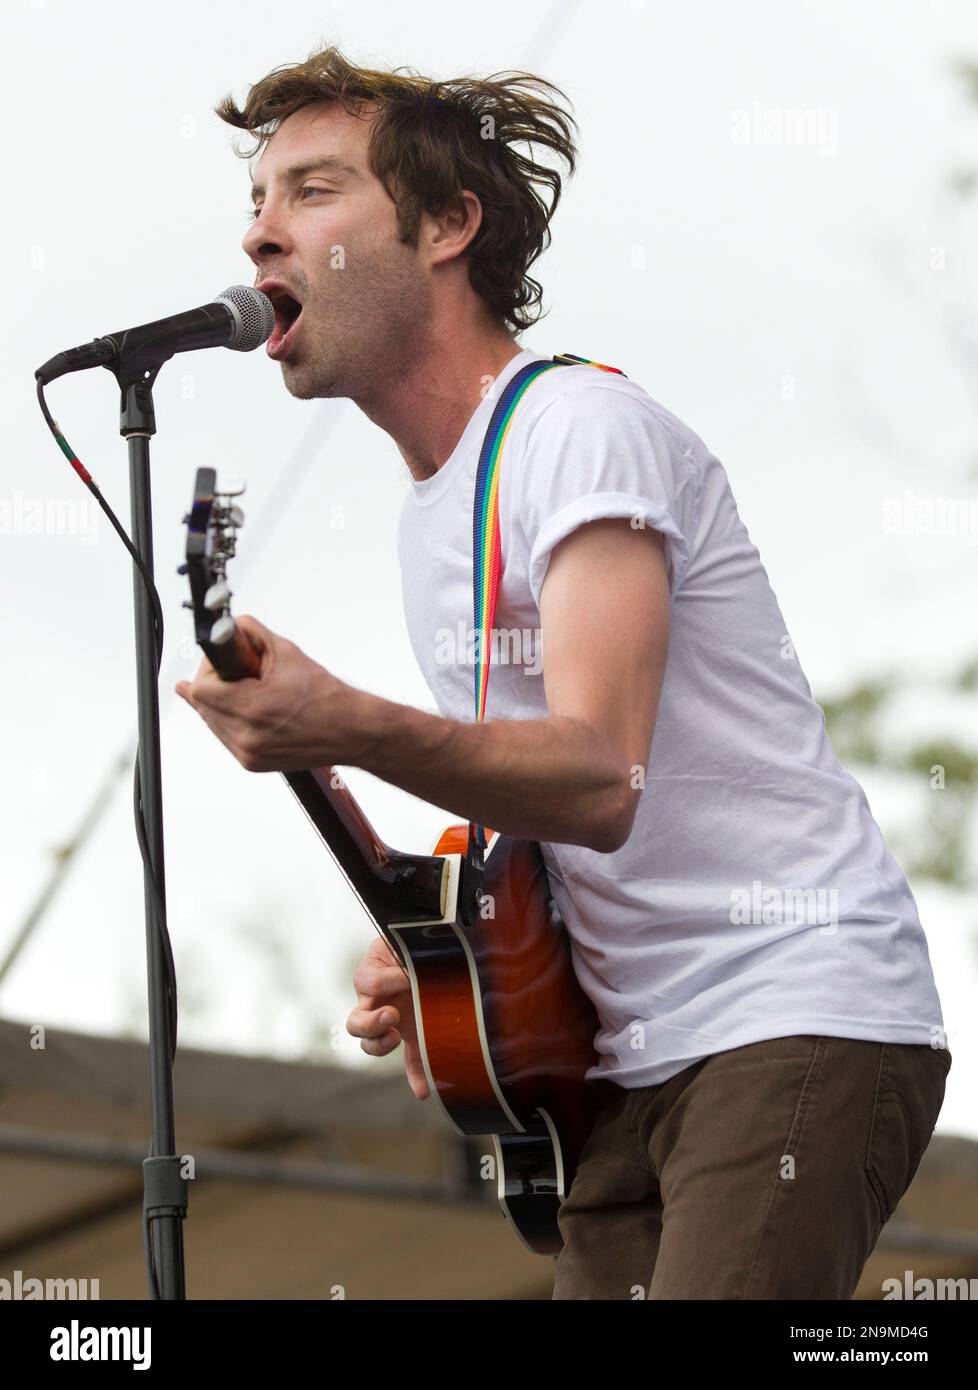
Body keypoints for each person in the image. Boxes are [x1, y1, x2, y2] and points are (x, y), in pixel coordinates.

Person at [176, 44, 951, 1299]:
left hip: (786, 1011)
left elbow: (601, 774)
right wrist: (457, 962)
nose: (261, 235)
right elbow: (535, 820)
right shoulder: (432, 511)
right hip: (615, 1063)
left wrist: (351, 723)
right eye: (257, 203)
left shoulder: (576, 428)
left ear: (448, 225)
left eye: (311, 191)